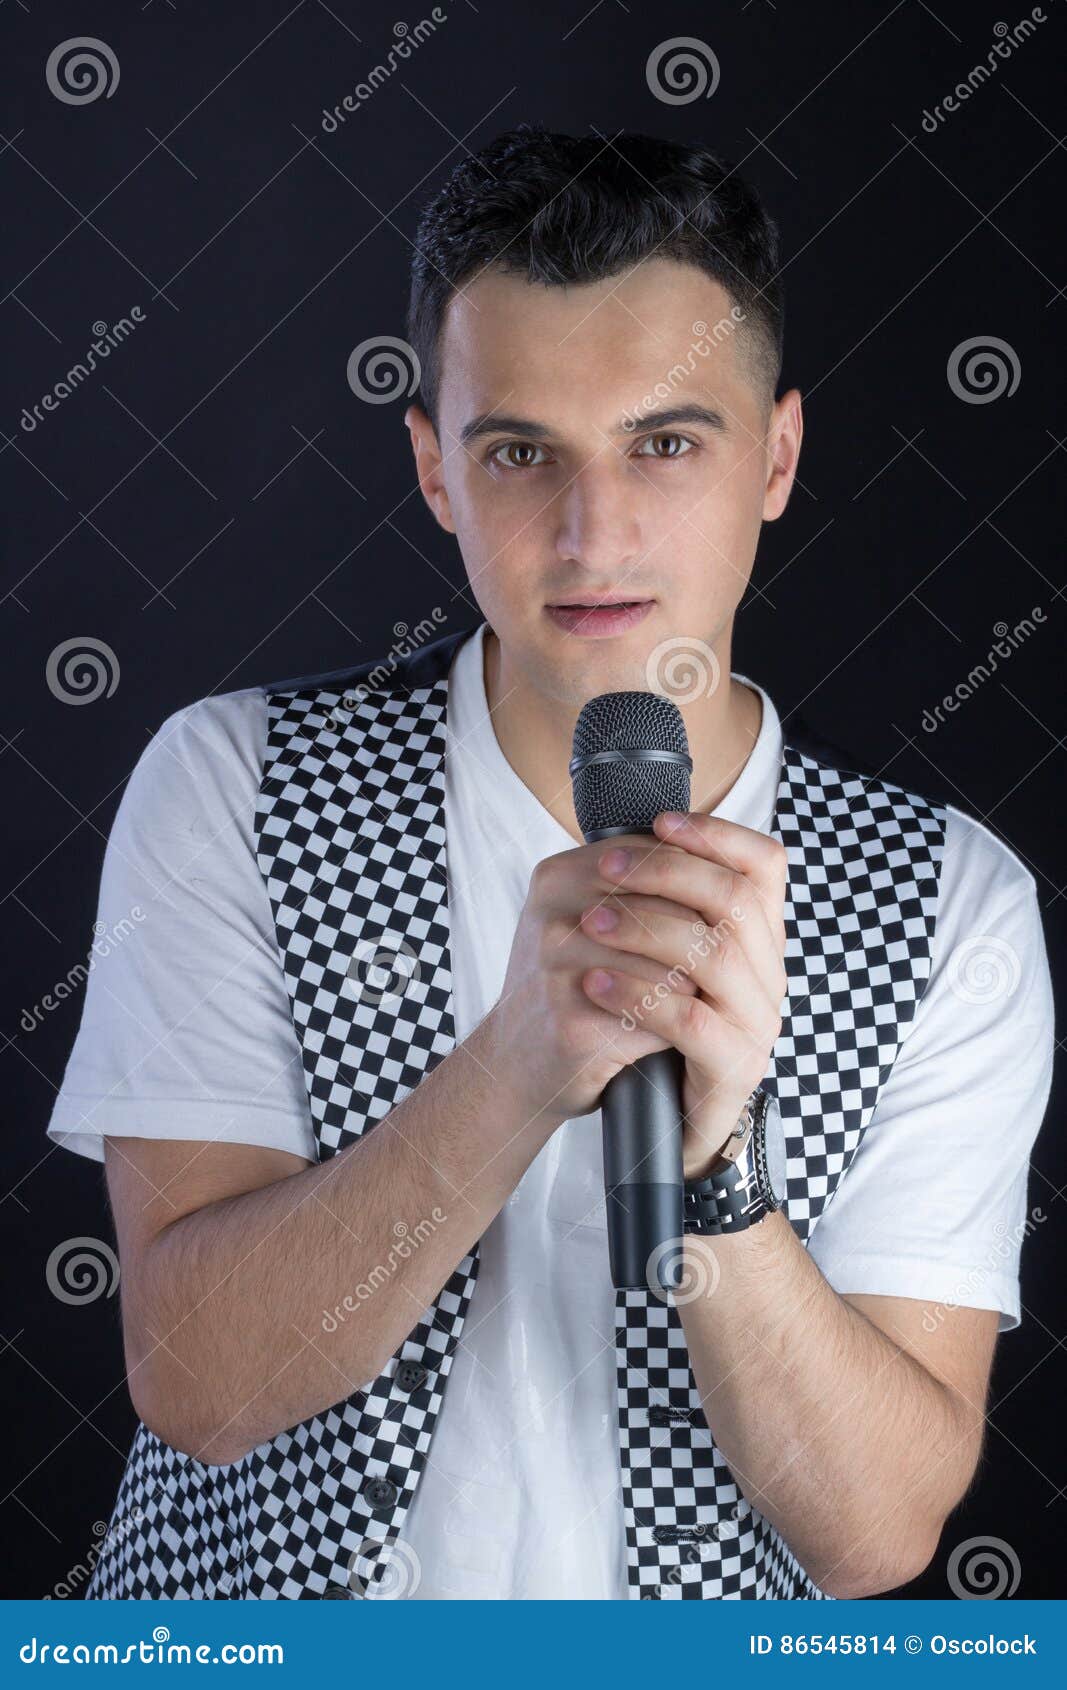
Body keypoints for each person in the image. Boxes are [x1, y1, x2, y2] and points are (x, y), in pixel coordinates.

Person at [47, 125, 1053, 1601]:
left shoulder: (950, 904)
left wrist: (721, 1170)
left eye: (666, 441)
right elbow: (196, 1379)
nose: (595, 534)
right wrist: (517, 1062)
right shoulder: (237, 786)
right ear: (434, 469)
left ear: (775, 456)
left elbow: (875, 1532)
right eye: (522, 452)